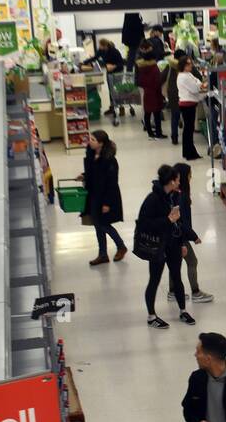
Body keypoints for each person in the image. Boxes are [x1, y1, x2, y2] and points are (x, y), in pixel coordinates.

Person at [135, 164, 194, 329]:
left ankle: (183, 310)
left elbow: (179, 220)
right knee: (154, 279)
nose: (179, 182)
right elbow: (145, 224)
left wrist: (182, 242)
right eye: (177, 180)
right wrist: (167, 220)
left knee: (177, 277)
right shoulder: (152, 199)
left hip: (173, 243)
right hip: (158, 246)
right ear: (171, 181)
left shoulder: (174, 196)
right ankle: (151, 316)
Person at [80, 130, 126, 265]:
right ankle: (103, 254)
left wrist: (107, 203)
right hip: (93, 194)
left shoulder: (110, 160)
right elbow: (92, 172)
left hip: (106, 196)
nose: (90, 142)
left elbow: (112, 182)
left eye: (93, 140)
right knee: (97, 225)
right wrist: (84, 176)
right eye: (90, 139)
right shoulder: (91, 154)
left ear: (101, 143)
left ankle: (121, 246)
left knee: (103, 224)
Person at [172, 163, 213, 303]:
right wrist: (193, 236)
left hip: (171, 235)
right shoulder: (182, 197)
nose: (191, 177)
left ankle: (173, 292)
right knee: (192, 261)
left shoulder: (172, 193)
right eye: (189, 175)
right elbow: (181, 221)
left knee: (175, 262)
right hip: (179, 236)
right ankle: (195, 292)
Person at [85, 38, 126, 117]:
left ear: (105, 46)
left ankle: (121, 108)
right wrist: (84, 62)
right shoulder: (101, 51)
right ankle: (112, 108)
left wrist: (114, 66)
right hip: (109, 72)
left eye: (100, 45)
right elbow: (95, 57)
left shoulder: (114, 51)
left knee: (118, 90)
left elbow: (121, 63)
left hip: (118, 72)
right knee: (111, 90)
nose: (99, 46)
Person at [176, 55, 207, 161]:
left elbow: (198, 81)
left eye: (191, 63)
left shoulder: (187, 74)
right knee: (189, 130)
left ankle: (188, 152)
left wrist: (199, 85)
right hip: (187, 104)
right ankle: (190, 153)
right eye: (188, 64)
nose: (191, 65)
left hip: (188, 103)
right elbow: (195, 88)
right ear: (183, 65)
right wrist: (200, 85)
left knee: (188, 130)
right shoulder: (184, 77)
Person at [135, 42, 165, 139]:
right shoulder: (154, 68)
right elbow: (158, 80)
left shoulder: (141, 67)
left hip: (147, 92)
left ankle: (150, 133)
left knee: (147, 113)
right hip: (155, 92)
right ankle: (159, 133)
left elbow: (140, 80)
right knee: (156, 113)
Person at [164, 49, 186, 145]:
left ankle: (174, 137)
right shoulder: (186, 66)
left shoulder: (169, 67)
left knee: (174, 116)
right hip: (184, 93)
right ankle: (187, 137)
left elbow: (161, 78)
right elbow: (198, 76)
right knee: (186, 116)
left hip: (172, 94)